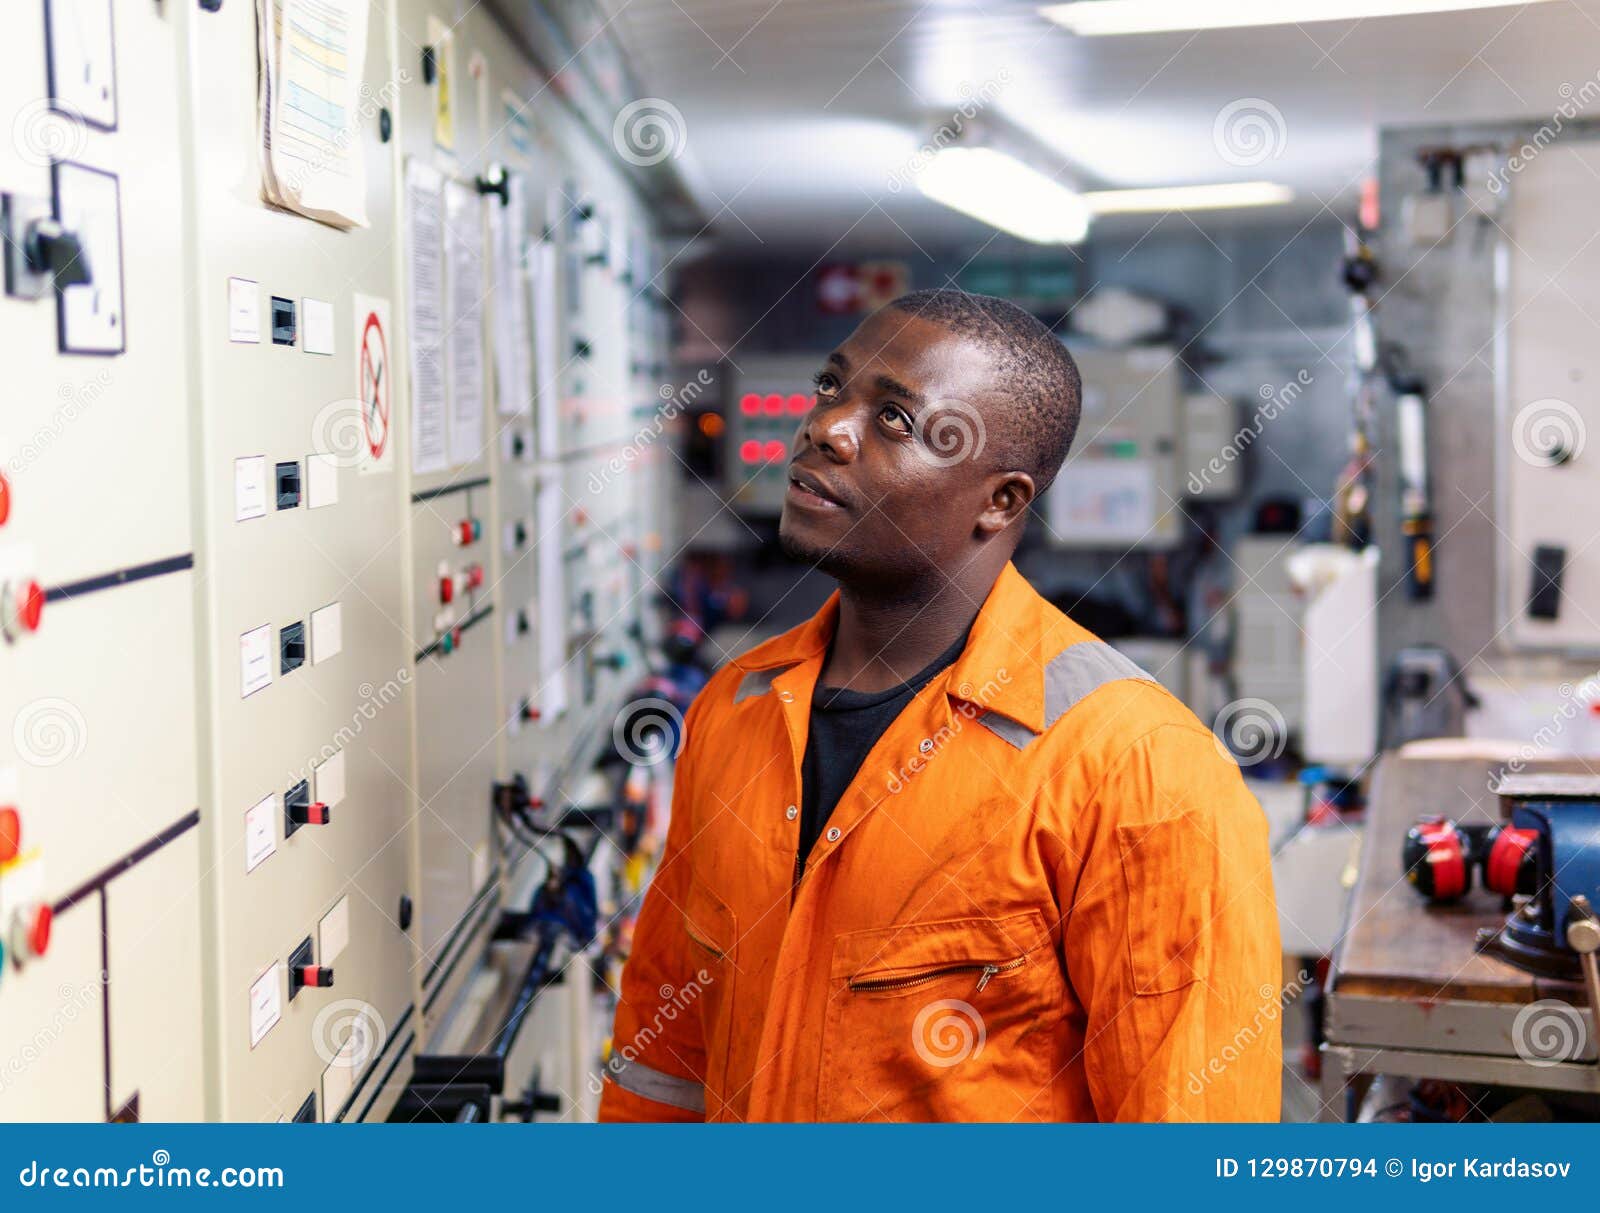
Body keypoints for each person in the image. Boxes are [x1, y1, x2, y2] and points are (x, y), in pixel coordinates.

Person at [599, 289, 1280, 1122]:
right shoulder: (734, 708)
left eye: (893, 419)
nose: (825, 428)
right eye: (830, 387)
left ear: (1000, 501)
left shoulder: (1137, 770)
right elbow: (666, 1056)